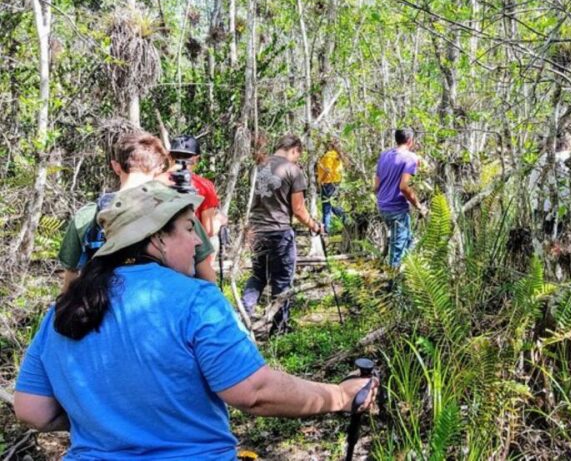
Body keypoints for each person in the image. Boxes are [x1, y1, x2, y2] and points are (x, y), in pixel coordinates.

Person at [14, 184, 377, 460]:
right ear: (156, 238)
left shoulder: (65, 308)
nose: (197, 243)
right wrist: (340, 396)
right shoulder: (195, 299)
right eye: (189, 229)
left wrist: (102, 415)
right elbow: (254, 393)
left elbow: (32, 410)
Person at [58, 131, 216, 291]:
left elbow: (70, 282)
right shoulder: (177, 211)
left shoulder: (87, 216)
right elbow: (207, 278)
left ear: (115, 166)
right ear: (160, 168)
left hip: (99, 307)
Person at [244, 134, 322, 331]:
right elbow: (298, 209)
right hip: (279, 231)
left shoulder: (259, 166)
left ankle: (243, 315)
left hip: (256, 230)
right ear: (294, 149)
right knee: (282, 279)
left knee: (258, 275)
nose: (297, 159)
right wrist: (314, 226)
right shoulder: (293, 171)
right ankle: (279, 328)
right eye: (298, 155)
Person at [374, 128, 426, 268]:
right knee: (398, 250)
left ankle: (405, 277)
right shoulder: (409, 158)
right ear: (410, 141)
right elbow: (404, 187)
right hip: (397, 209)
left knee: (407, 241)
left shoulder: (384, 155)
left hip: (383, 206)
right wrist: (419, 205)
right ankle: (394, 287)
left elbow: (376, 186)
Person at [163, 135, 221, 239]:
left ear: (169, 156)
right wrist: (220, 220)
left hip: (157, 244)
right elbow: (208, 230)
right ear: (196, 159)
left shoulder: (154, 181)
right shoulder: (204, 186)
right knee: (214, 240)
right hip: (189, 244)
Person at [316, 138, 347, 234]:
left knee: (327, 206)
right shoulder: (337, 155)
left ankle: (326, 229)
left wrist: (321, 180)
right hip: (336, 182)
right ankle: (345, 221)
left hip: (328, 183)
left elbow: (327, 170)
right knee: (332, 205)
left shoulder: (329, 155)